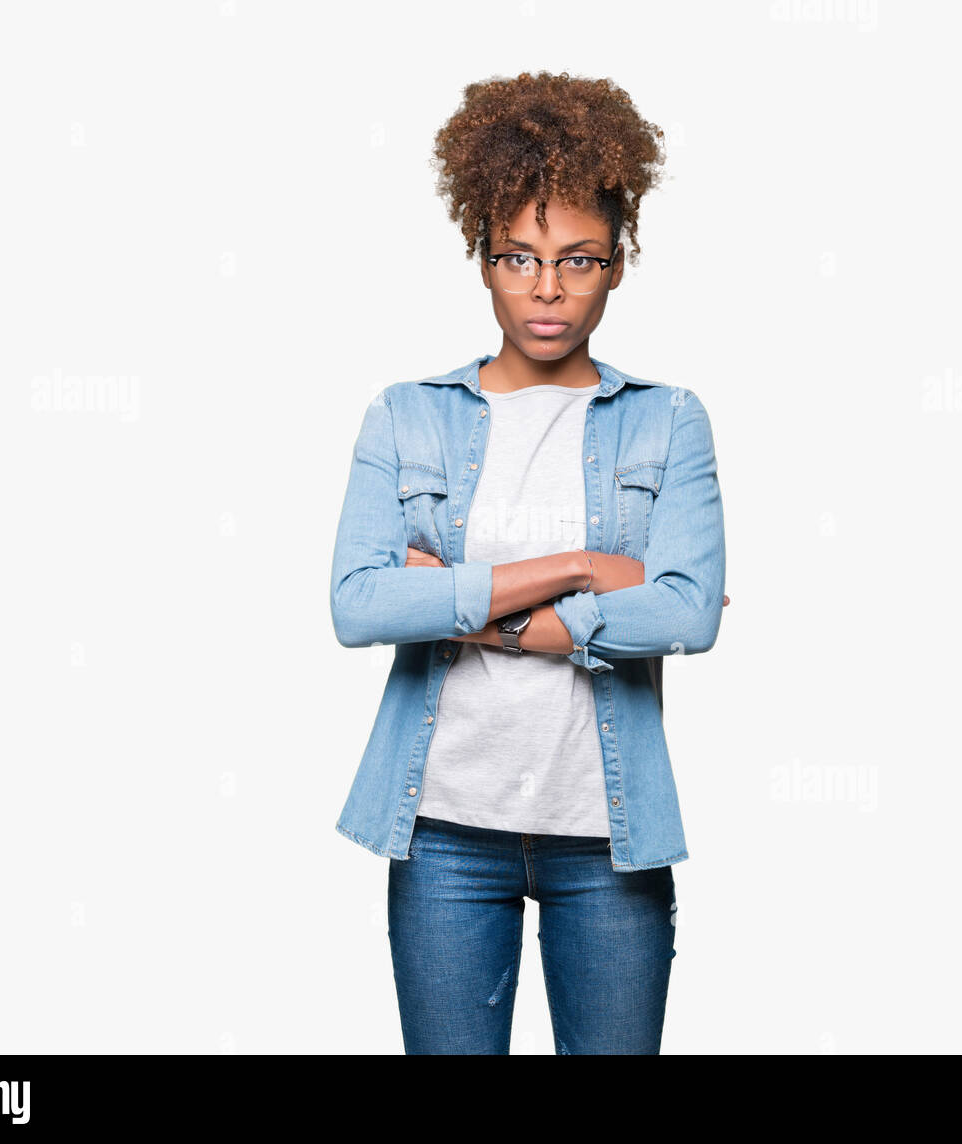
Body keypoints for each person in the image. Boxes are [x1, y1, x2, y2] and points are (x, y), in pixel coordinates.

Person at [329, 70, 728, 1054]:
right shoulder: (407, 414)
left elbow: (689, 613)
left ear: (618, 263)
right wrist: (582, 566)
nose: (547, 289)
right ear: (481, 254)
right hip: (444, 837)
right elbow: (358, 603)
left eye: (579, 260)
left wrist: (457, 606)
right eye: (519, 256)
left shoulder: (667, 421)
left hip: (609, 839)